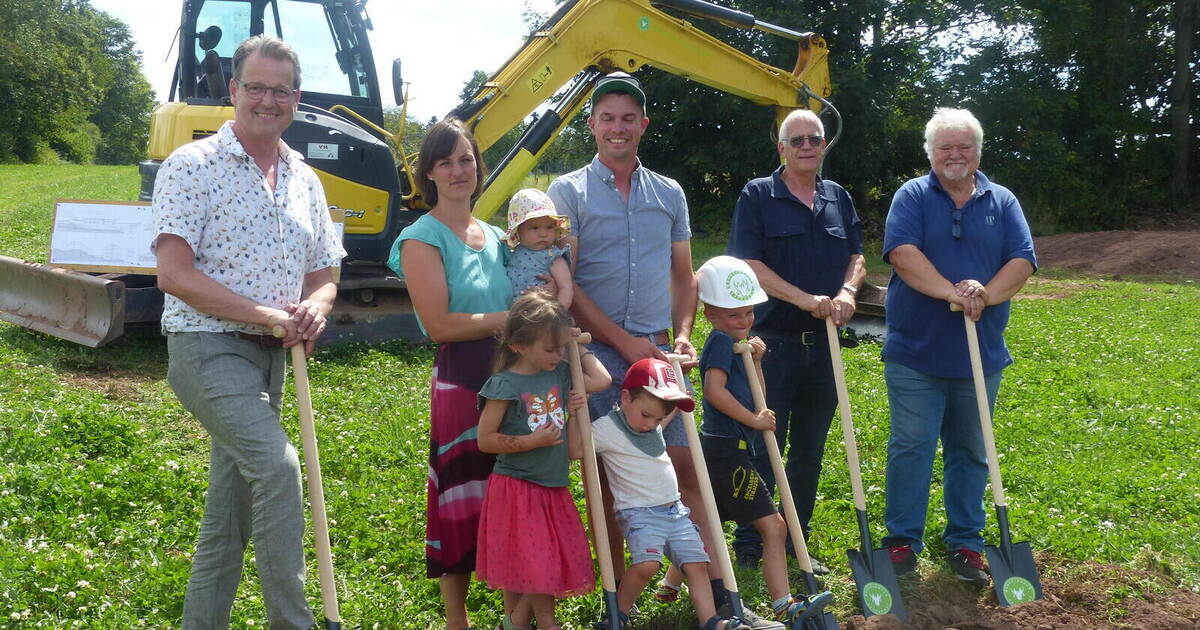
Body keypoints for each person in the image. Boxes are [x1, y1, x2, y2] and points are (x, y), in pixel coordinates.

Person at [153, 35, 345, 629]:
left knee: (227, 519)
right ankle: (295, 622)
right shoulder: (192, 166)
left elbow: (325, 271)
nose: (268, 100)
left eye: (280, 90)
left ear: (296, 98)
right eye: (255, 87)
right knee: (279, 469)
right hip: (205, 347)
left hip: (274, 360)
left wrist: (316, 304)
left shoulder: (303, 179)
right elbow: (173, 275)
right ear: (233, 91)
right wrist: (265, 313)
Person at [547, 71, 751, 626]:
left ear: (643, 124)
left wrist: (681, 333)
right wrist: (624, 342)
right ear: (592, 125)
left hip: (661, 355)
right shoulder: (567, 192)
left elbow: (684, 276)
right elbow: (569, 284)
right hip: (598, 357)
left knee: (687, 474)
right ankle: (617, 604)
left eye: (628, 118)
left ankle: (722, 597)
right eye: (607, 118)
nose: (618, 128)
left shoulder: (670, 193)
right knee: (610, 483)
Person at [880, 107, 1036, 586]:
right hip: (916, 353)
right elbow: (903, 254)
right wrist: (953, 292)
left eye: (963, 146)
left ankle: (966, 542)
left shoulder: (1002, 200)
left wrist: (985, 295)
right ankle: (902, 541)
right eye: (944, 146)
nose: (954, 154)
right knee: (912, 446)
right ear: (930, 152)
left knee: (971, 450)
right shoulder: (911, 196)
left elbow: (1022, 259)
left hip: (980, 357)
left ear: (978, 151)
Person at [725, 108, 865, 575]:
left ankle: (796, 540)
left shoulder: (837, 197)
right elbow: (749, 263)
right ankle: (751, 542)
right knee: (765, 441)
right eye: (797, 140)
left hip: (823, 346)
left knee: (809, 450)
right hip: (773, 343)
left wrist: (847, 292)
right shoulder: (758, 195)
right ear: (781, 148)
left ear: (824, 145)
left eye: (815, 139)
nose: (807, 146)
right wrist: (805, 298)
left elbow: (857, 256)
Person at [387, 118, 513, 630]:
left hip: (514, 379)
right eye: (446, 162)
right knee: (461, 493)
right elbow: (438, 323)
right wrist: (513, 318)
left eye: (467, 160)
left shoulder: (503, 237)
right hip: (463, 379)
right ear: (429, 174)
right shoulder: (421, 238)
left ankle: (514, 610)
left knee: (511, 490)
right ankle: (457, 619)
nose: (459, 170)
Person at [694, 256, 834, 626]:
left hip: (733, 448)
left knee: (713, 519)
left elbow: (759, 396)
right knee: (773, 527)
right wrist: (753, 420)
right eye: (733, 315)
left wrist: (756, 363)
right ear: (710, 314)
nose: (743, 322)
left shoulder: (737, 343)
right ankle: (783, 603)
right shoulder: (721, 342)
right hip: (725, 450)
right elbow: (714, 391)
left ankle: (671, 581)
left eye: (748, 314)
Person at [475, 292, 611, 630]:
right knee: (533, 563)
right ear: (520, 346)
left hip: (552, 487)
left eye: (560, 348)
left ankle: (515, 621)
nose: (557, 355)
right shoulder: (504, 384)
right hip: (518, 487)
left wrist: (579, 347)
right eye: (550, 349)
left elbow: (602, 381)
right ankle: (546, 624)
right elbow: (485, 440)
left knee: (539, 561)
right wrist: (531, 441)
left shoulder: (561, 372)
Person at [591, 359, 749, 630]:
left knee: (697, 564)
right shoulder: (606, 429)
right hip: (640, 512)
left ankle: (711, 621)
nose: (651, 424)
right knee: (647, 566)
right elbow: (575, 450)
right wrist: (575, 412)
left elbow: (658, 423)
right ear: (626, 397)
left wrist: (675, 407)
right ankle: (617, 617)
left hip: (675, 511)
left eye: (659, 418)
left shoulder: (651, 425)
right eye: (646, 415)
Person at [503, 188, 574, 307]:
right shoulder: (511, 253)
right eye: (534, 228)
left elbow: (566, 288)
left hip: (541, 316)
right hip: (510, 315)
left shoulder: (553, 257)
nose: (543, 234)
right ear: (518, 231)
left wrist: (557, 315)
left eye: (549, 227)